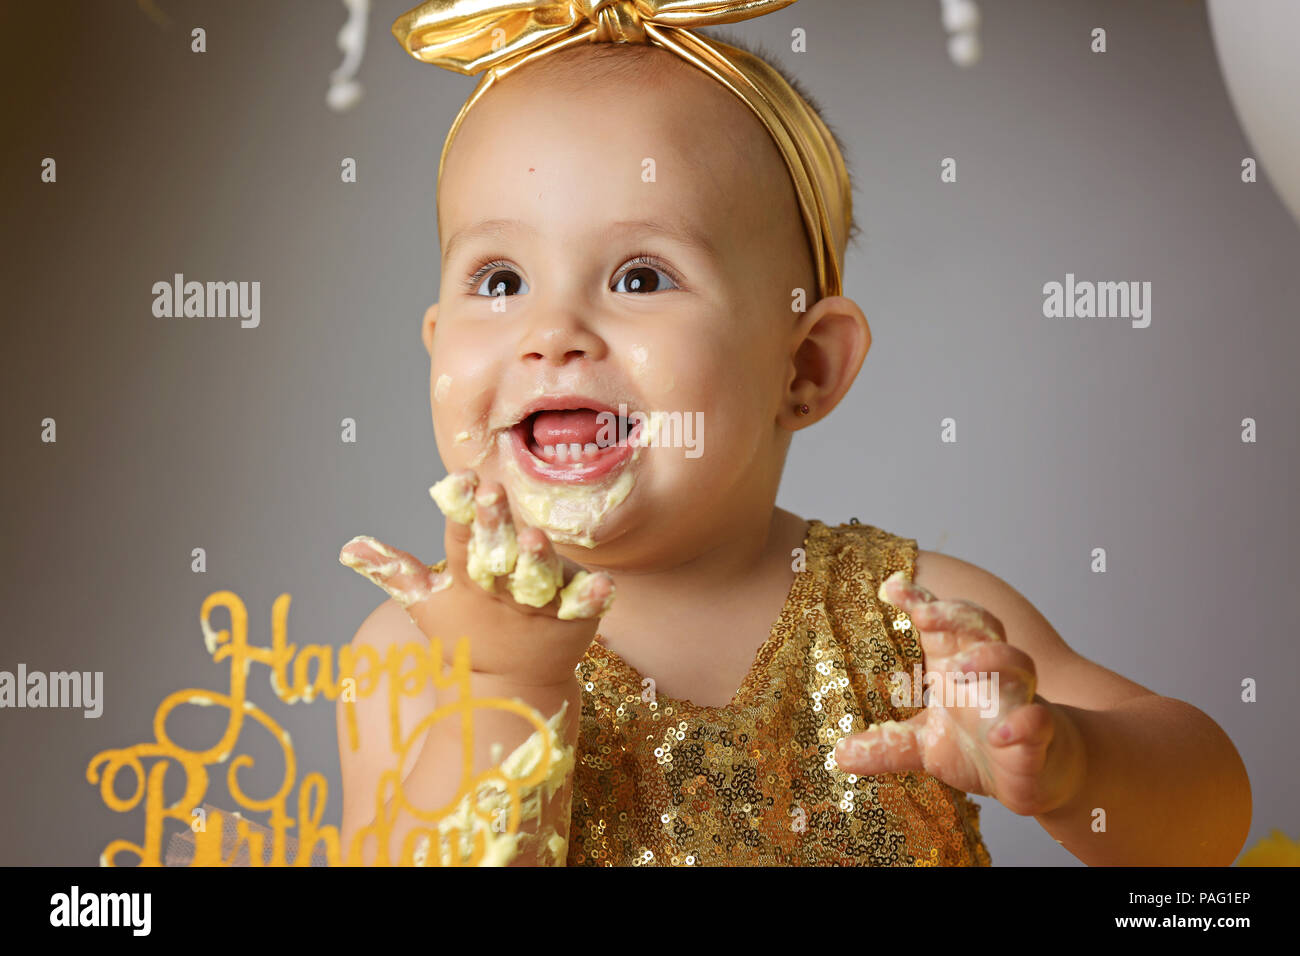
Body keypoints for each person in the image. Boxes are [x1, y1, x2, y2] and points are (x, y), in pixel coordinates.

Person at [336, 0, 1250, 866]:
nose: (553, 332)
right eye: (500, 281)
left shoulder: (907, 617)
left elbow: (1206, 829)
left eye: (642, 277)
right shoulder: (418, 652)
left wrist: (1071, 766)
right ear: (433, 345)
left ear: (805, 370)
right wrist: (505, 687)